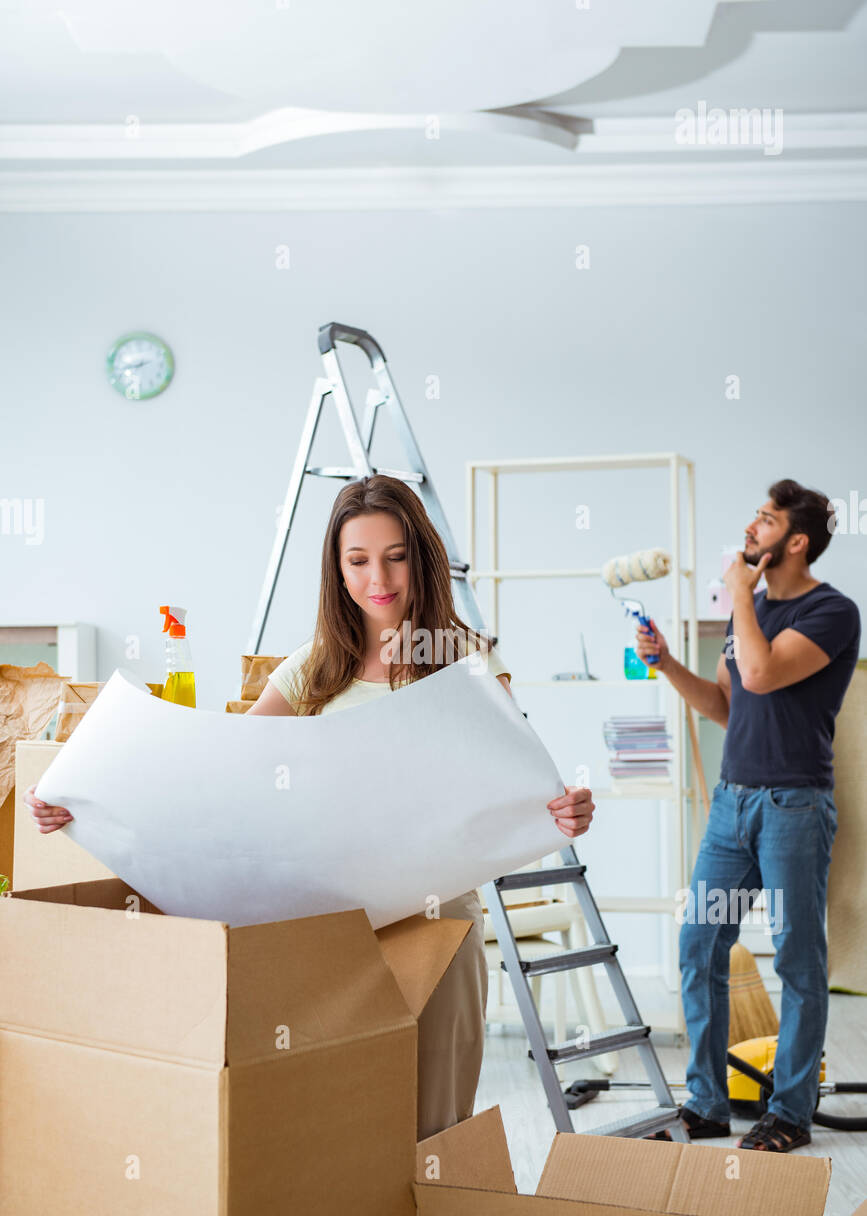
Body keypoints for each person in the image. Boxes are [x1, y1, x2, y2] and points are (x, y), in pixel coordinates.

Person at [25, 473, 595, 1145]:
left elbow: (519, 786)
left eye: (395, 555)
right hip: (330, 926)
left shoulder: (464, 662)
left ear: (422, 557)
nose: (377, 577)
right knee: (338, 1129)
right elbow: (223, 776)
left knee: (434, 1124)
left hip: (439, 923)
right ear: (337, 568)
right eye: (357, 560)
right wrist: (86, 802)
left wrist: (563, 811)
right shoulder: (313, 667)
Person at [637, 479, 860, 1151]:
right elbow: (728, 704)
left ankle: (788, 1114)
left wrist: (738, 593)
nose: (749, 528)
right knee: (698, 944)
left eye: (764, 520)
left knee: (796, 958)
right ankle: (705, 1104)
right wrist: (666, 664)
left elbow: (762, 675)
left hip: (793, 806)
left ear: (794, 542)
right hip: (732, 805)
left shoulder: (831, 613)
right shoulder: (751, 609)